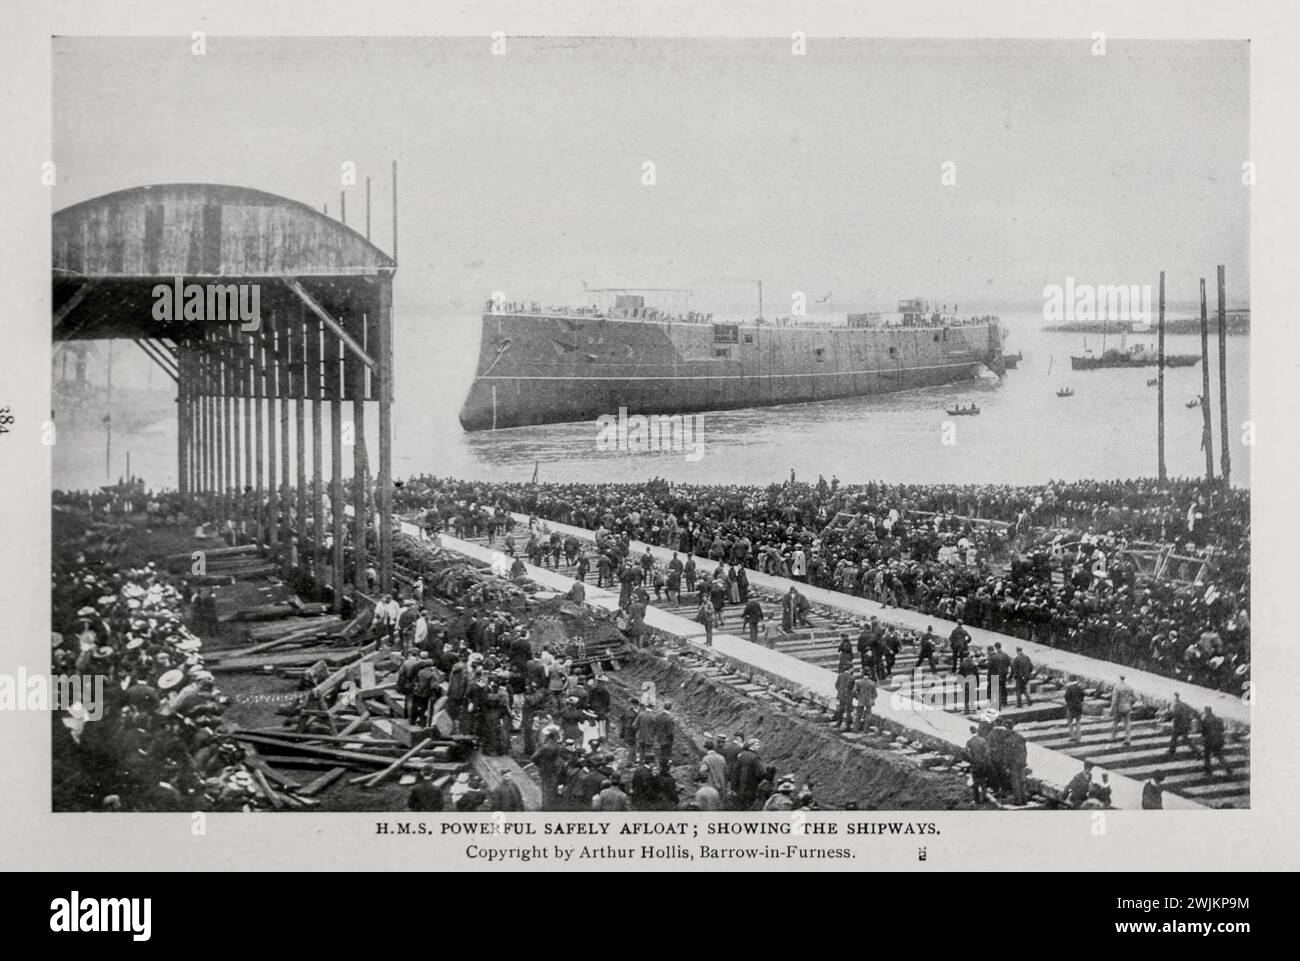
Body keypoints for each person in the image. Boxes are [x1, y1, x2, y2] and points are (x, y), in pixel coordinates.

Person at [1200, 707, 1234, 777]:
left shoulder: (1205, 719)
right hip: (1218, 741)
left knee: (1206, 756)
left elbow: (1203, 732)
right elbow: (1222, 729)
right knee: (1220, 756)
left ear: (1206, 712)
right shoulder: (1218, 719)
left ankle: (1208, 772)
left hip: (1209, 741)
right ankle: (1228, 769)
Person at [965, 724, 992, 805]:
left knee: (976, 783)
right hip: (983, 764)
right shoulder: (983, 740)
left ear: (970, 732)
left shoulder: (969, 742)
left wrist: (972, 760)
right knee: (983, 781)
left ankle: (977, 800)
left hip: (975, 764)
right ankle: (984, 798)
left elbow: (967, 753)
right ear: (976, 731)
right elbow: (987, 752)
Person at [1166, 692, 1197, 759]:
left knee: (1176, 738)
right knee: (1180, 738)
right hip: (1182, 725)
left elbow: (1173, 714)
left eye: (1174, 697)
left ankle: (1172, 751)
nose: (1173, 698)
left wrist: (1168, 713)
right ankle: (1197, 752)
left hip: (1179, 725)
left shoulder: (1177, 705)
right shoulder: (1181, 704)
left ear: (1177, 697)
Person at [1110, 675, 1136, 747]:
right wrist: (1130, 704)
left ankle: (1113, 737)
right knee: (1127, 723)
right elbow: (1135, 697)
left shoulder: (1117, 687)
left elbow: (1114, 699)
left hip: (1119, 708)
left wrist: (1111, 709)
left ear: (1119, 679)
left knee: (1115, 722)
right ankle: (1128, 739)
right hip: (1127, 707)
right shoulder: (1129, 687)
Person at [987, 642, 1011, 708]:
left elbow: (990, 665)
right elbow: (1009, 664)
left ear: (995, 647)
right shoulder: (1006, 655)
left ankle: (996, 703)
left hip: (996, 674)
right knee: (1003, 687)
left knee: (995, 689)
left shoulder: (994, 656)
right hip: (1004, 674)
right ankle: (1004, 702)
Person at [1063, 675, 1085, 743]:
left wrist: (1069, 703)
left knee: (1070, 722)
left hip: (1071, 707)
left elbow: (1066, 697)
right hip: (1078, 707)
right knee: (1078, 722)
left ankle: (1072, 736)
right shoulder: (1080, 687)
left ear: (1070, 680)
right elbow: (1083, 696)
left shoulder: (1069, 688)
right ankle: (1078, 737)